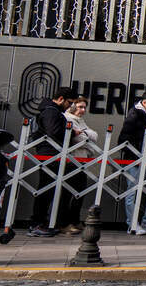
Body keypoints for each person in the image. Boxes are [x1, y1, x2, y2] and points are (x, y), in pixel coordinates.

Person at [28, 86, 75, 237]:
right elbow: (54, 131)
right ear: (60, 99)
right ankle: (37, 223)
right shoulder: (51, 112)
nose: (70, 106)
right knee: (45, 190)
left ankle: (41, 222)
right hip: (50, 155)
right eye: (69, 102)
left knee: (48, 189)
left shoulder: (51, 111)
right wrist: (72, 132)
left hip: (51, 154)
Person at [117, 92, 146, 234]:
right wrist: (136, 155)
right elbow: (123, 139)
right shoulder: (134, 116)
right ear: (144, 102)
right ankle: (132, 224)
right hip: (135, 160)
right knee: (133, 191)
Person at [62, 95, 99, 235]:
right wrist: (86, 137)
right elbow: (80, 139)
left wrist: (85, 136)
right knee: (68, 193)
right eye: (80, 107)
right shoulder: (67, 118)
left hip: (82, 161)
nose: (83, 110)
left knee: (79, 192)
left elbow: (94, 136)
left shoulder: (80, 121)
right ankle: (65, 222)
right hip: (71, 160)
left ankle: (75, 220)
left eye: (84, 107)